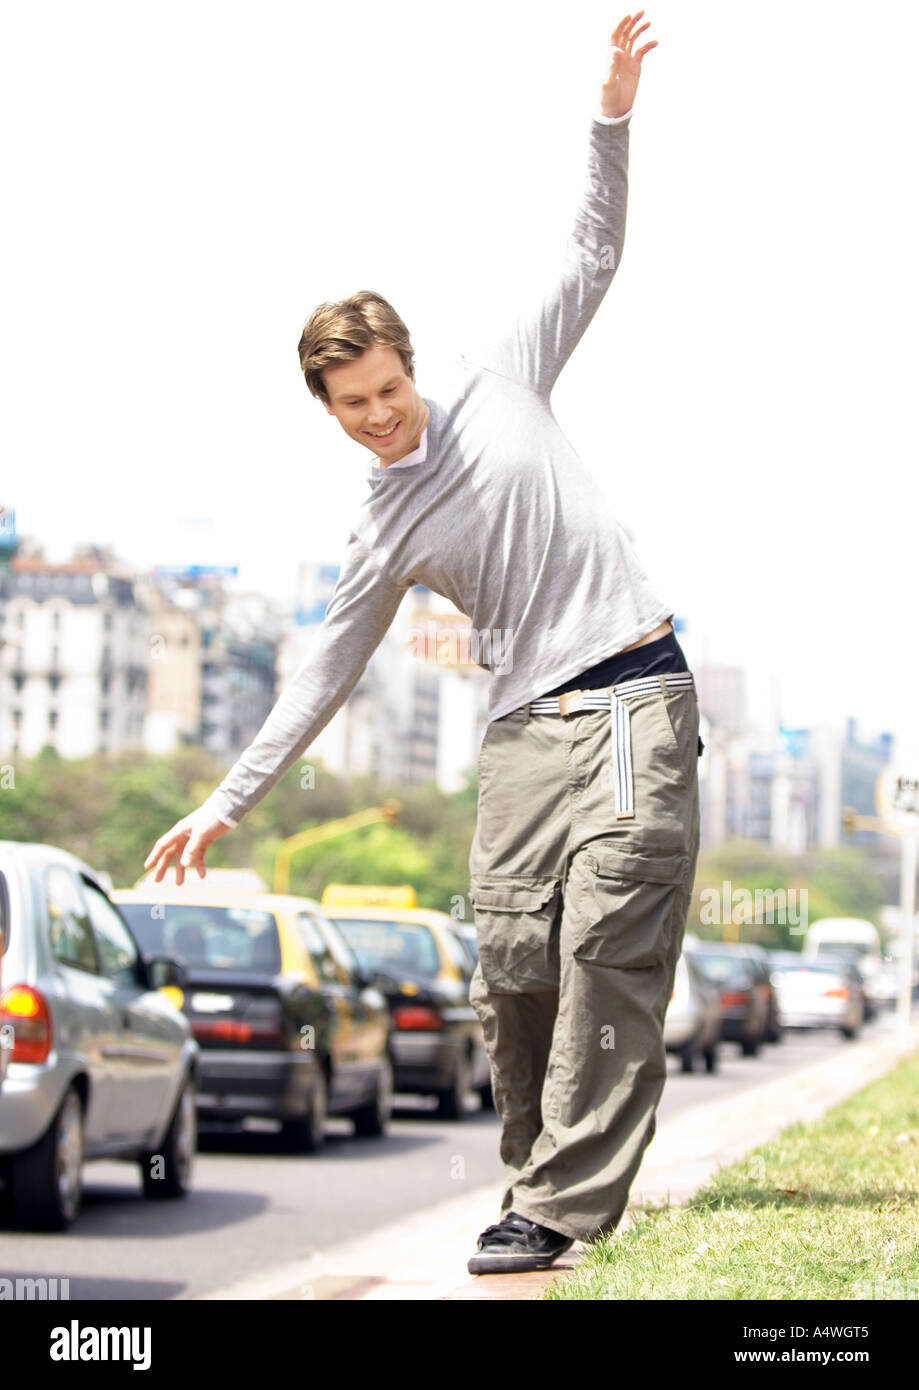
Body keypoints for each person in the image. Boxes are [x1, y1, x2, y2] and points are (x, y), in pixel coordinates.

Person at [143, 11, 701, 1275]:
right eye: (353, 410)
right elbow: (322, 675)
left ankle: (558, 1204)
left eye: (388, 392)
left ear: (410, 362)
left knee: (607, 936)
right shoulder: (379, 523)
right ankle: (533, 1171)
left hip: (629, 694)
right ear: (328, 410)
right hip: (521, 726)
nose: (381, 420)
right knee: (508, 956)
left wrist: (608, 118)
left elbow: (593, 249)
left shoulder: (503, 370)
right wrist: (226, 804)